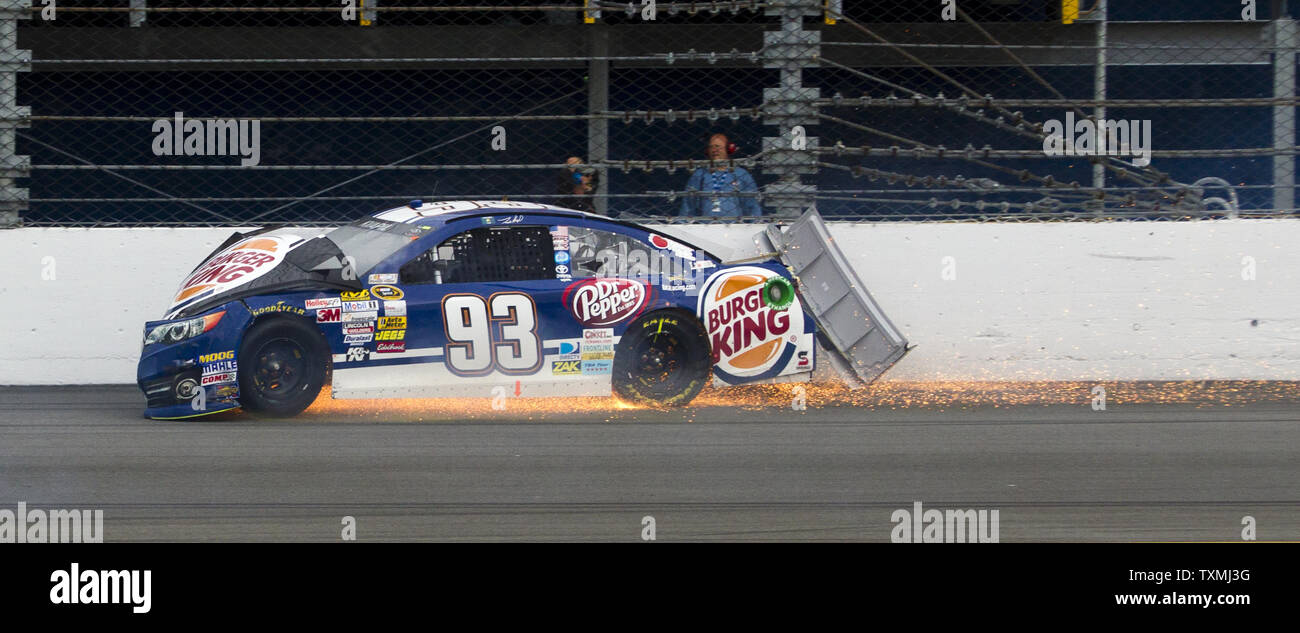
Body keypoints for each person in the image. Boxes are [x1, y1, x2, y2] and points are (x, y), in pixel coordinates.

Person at [678, 133, 762, 218]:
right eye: (711, 147)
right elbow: (687, 206)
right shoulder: (700, 175)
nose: (714, 150)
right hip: (705, 226)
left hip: (735, 226)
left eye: (718, 146)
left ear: (728, 149)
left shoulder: (741, 174)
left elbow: (753, 206)